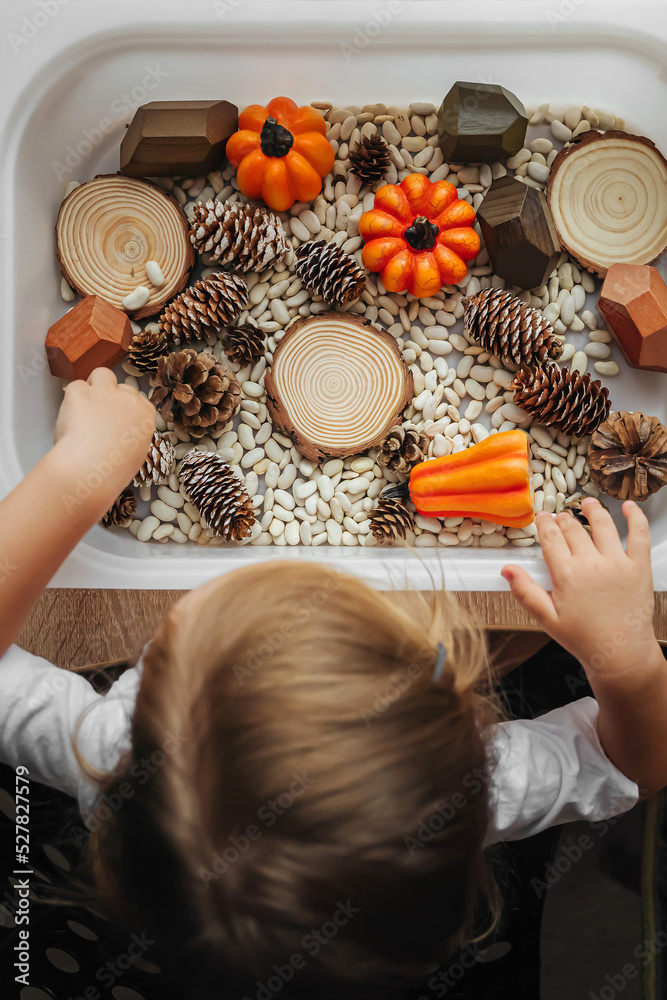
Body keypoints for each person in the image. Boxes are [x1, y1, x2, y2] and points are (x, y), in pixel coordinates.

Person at [0, 368, 665, 999]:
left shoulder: (113, 758)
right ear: (449, 710)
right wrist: (624, 649)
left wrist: (77, 475)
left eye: (169, 641)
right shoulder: (473, 784)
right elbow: (636, 761)